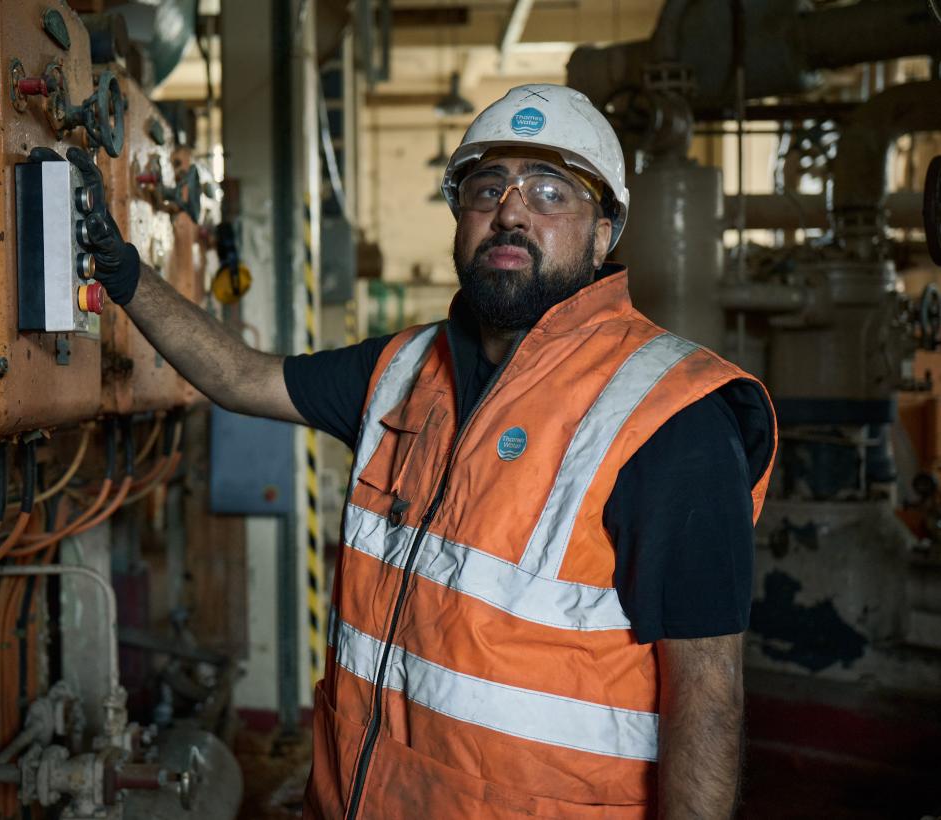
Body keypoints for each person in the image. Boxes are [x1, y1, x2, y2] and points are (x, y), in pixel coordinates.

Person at [64, 83, 776, 819]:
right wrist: (121, 270)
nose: (511, 211)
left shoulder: (670, 417)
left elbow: (708, 696)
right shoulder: (401, 370)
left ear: (603, 234)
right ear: (460, 218)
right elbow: (242, 377)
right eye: (486, 187)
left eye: (550, 191)